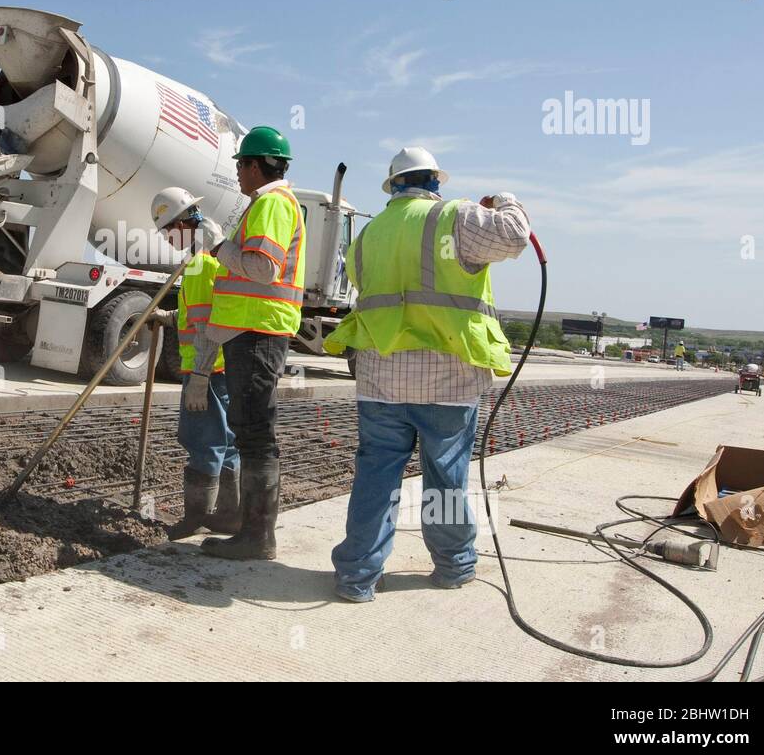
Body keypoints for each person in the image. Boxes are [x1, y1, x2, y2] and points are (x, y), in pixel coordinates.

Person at [325, 147, 530, 602]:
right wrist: (505, 200)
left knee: (376, 475)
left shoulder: (369, 233)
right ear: (435, 181)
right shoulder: (454, 218)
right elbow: (515, 237)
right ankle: (454, 566)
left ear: (393, 186)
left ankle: (358, 576)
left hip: (381, 375)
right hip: (449, 379)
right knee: (445, 478)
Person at [186, 126, 305, 561]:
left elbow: (261, 269)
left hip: (259, 331)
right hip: (250, 331)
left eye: (240, 164)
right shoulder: (267, 203)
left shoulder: (272, 203)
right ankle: (249, 529)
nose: (236, 171)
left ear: (256, 166)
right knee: (251, 431)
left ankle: (257, 537)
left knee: (255, 436)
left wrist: (220, 247)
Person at [143, 187, 236, 539]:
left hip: (207, 369)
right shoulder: (205, 258)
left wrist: (199, 374)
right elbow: (197, 314)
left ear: (181, 223)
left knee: (203, 440)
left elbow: (211, 322)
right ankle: (229, 515)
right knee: (225, 441)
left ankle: (196, 518)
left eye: (167, 232)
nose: (167, 240)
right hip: (218, 367)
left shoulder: (203, 262)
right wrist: (168, 317)